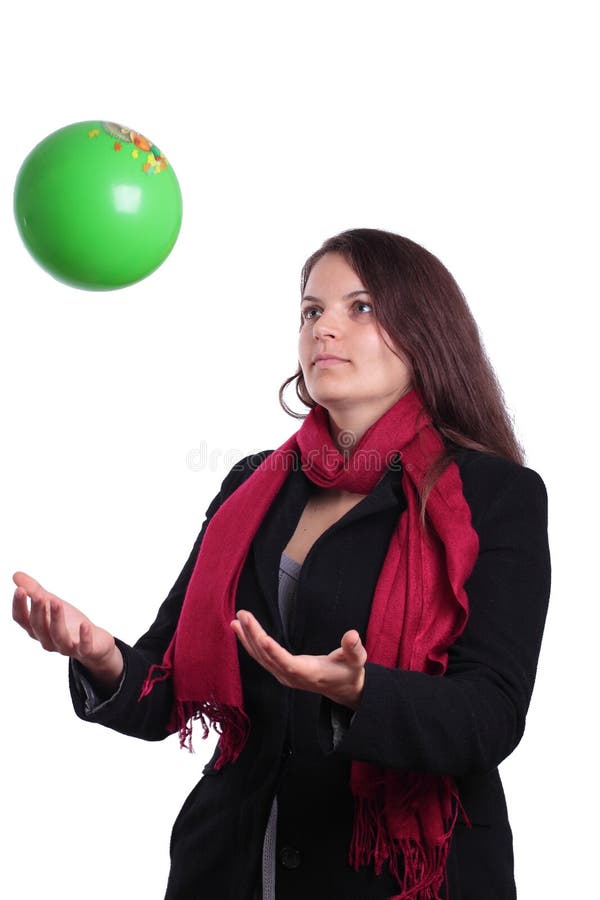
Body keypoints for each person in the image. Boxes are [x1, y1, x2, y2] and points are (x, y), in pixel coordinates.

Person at [12, 228, 551, 900]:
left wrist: (358, 692)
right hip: (229, 868)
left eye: (360, 307)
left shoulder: (494, 495)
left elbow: (490, 716)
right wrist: (99, 657)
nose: (325, 328)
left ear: (425, 330)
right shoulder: (251, 484)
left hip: (395, 879)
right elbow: (168, 687)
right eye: (311, 310)